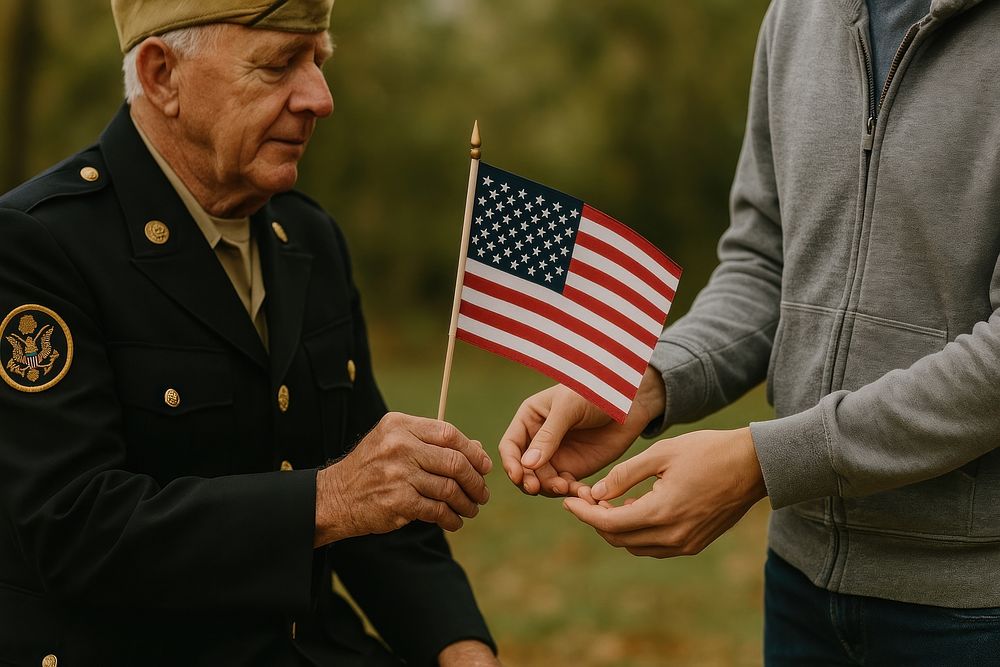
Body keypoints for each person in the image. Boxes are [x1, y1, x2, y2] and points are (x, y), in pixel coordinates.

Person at [500, 0, 1000, 663]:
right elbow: (765, 266)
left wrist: (764, 463)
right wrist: (645, 382)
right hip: (799, 589)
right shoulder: (797, 15)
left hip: (972, 609)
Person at [0, 1, 500, 665]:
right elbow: (76, 528)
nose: (320, 98)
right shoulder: (40, 242)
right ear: (161, 75)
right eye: (277, 65)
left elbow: (382, 508)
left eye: (318, 60)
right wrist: (328, 499)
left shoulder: (310, 239)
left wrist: (462, 649)